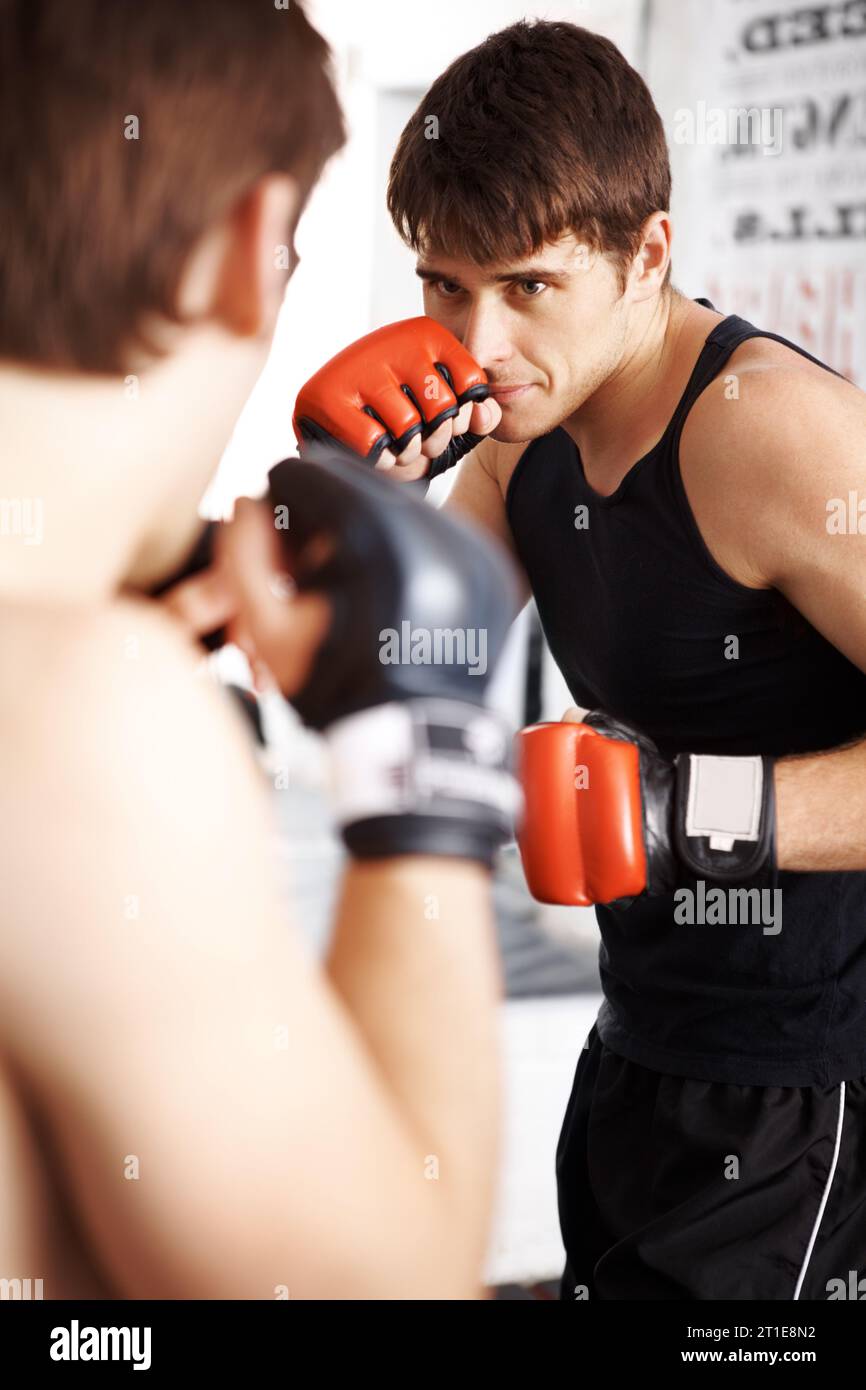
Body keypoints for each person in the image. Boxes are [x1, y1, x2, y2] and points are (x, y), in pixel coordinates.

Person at [295, 19, 866, 1300]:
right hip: (641, 1042)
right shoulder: (516, 436)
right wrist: (363, 522)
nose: (479, 340)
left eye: (528, 288)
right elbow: (405, 670)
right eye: (444, 286)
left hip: (810, 1088)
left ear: (645, 252)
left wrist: (688, 810)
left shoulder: (770, 435)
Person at [0, 0, 521, 1300]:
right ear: (248, 243)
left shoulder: (84, 664)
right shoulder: (85, 716)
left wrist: (162, 586)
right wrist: (421, 744)